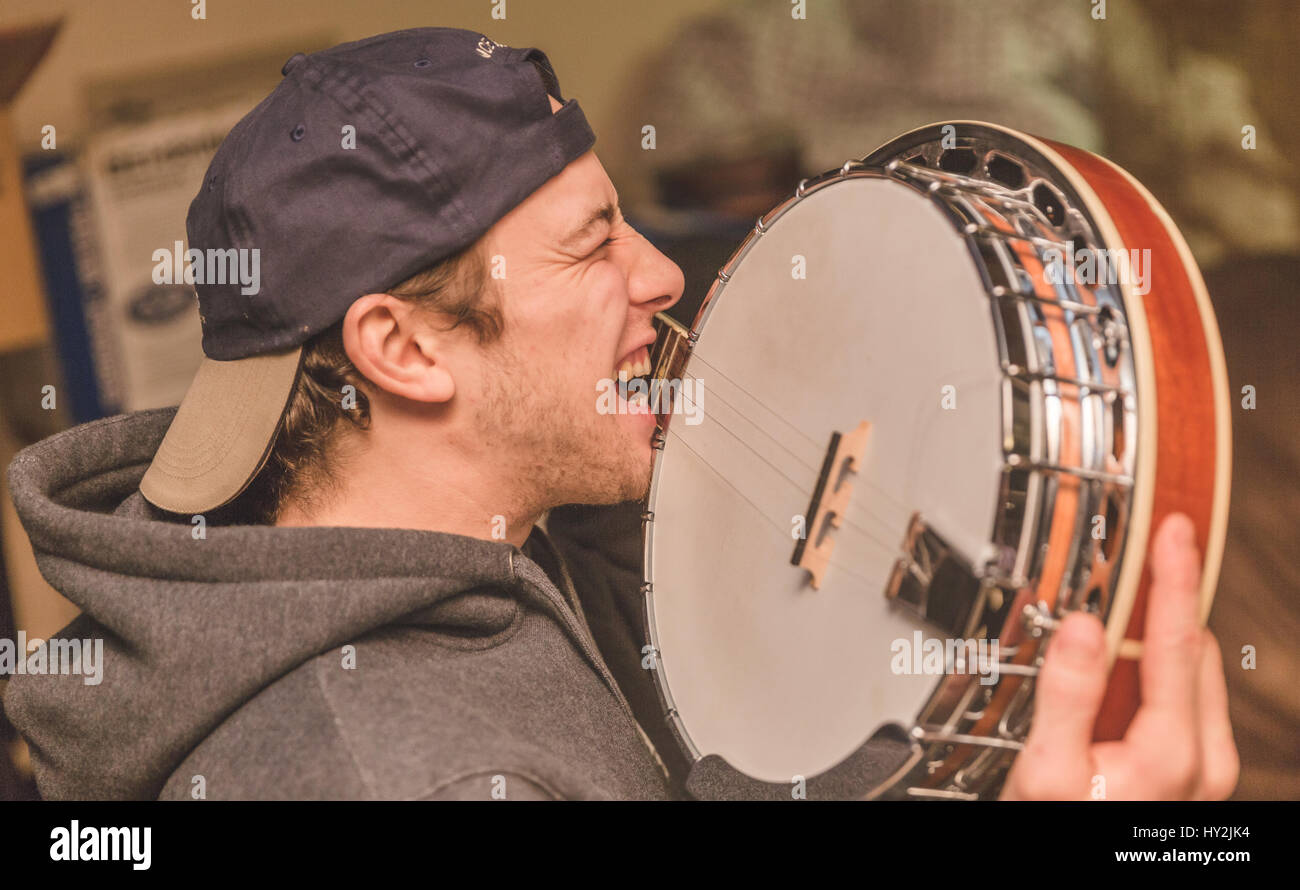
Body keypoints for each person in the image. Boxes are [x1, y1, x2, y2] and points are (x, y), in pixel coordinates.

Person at [3, 27, 1236, 800]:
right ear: (403, 345)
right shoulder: (402, 768)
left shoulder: (491, 543)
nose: (660, 274)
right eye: (592, 245)